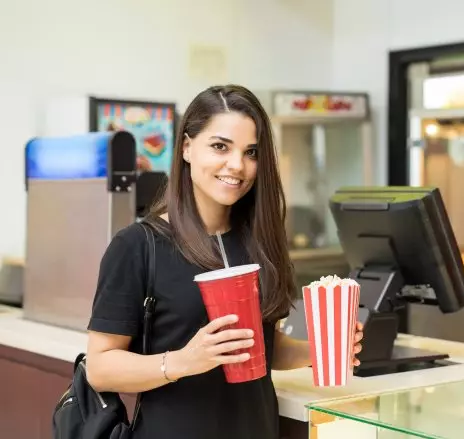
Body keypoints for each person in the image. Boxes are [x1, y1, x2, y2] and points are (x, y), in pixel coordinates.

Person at [85, 85, 363, 438]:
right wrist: (184, 361)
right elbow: (100, 366)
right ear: (186, 147)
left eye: (251, 152)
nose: (237, 165)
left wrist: (320, 350)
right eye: (220, 146)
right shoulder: (139, 245)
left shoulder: (259, 242)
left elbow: (262, 348)